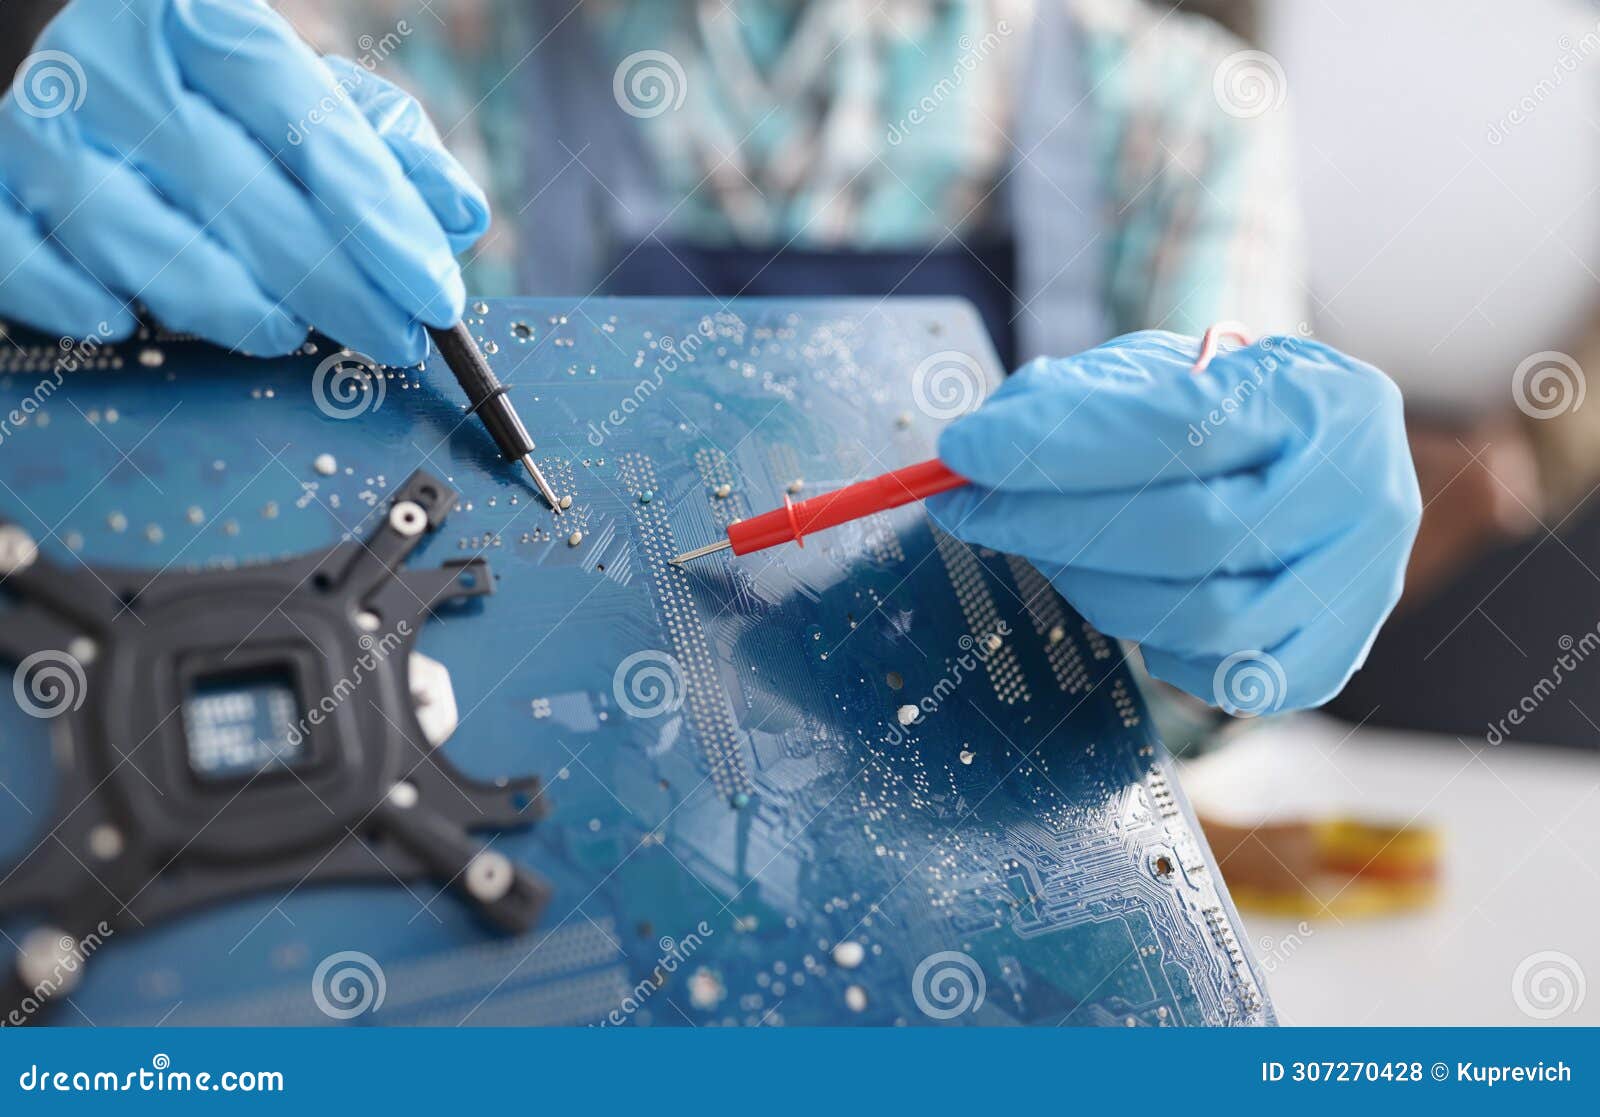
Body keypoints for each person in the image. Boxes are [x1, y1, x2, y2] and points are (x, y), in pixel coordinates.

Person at [0, 0, 1420, 715]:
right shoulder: (412, 60)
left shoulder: (1181, 123)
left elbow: (1174, 718)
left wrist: (1248, 576)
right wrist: (67, 283)